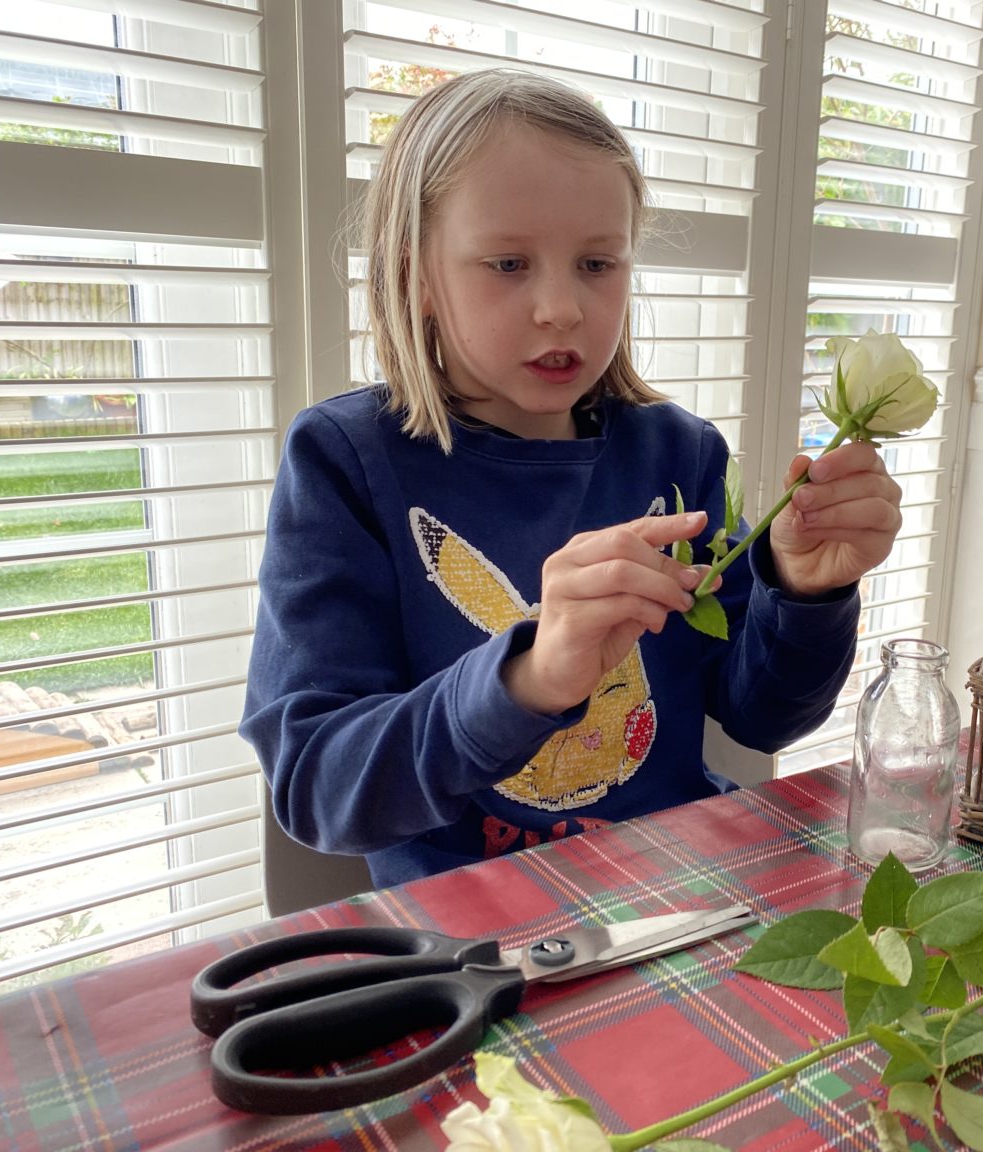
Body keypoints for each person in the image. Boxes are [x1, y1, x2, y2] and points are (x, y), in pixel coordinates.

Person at [241, 69, 904, 887]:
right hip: (470, 937)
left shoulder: (679, 454)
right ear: (416, 275)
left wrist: (805, 593)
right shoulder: (347, 462)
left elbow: (764, 716)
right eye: (509, 263)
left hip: (674, 892)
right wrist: (524, 678)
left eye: (597, 264)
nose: (561, 307)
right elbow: (318, 784)